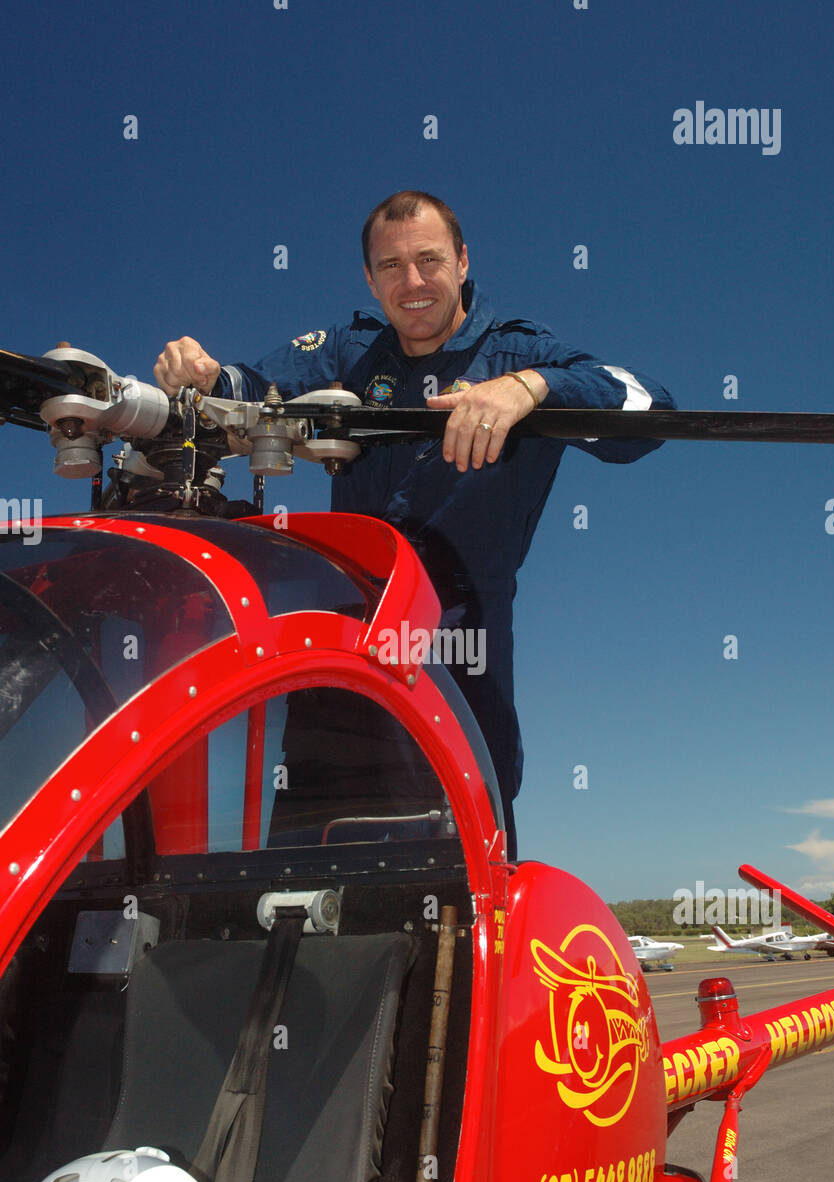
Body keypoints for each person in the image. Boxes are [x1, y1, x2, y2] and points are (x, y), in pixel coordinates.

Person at [155, 190, 674, 857]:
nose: (413, 282)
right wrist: (204, 375)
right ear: (370, 280)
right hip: (347, 646)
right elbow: (250, 389)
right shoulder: (349, 351)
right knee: (306, 841)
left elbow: (648, 412)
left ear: (462, 262)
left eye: (429, 260)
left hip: (463, 654)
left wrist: (532, 391)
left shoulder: (520, 355)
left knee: (466, 845)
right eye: (391, 266)